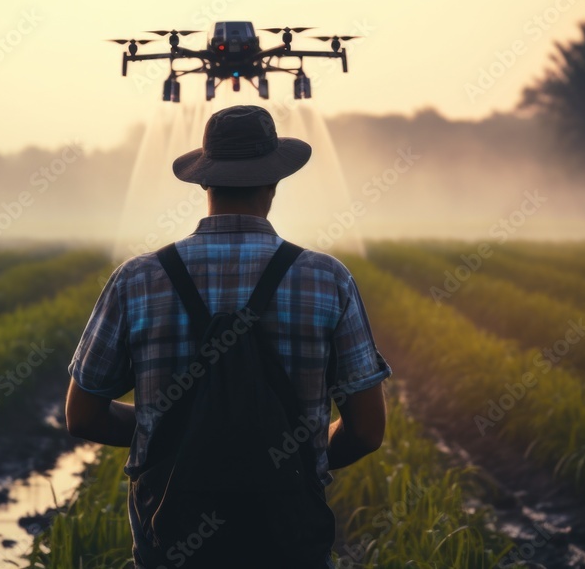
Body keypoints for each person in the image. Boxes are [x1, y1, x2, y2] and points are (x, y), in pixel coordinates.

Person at [65, 104, 391, 567]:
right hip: (286, 535)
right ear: (276, 181)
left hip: (172, 535)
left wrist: (176, 435)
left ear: (203, 181)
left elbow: (82, 416)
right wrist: (284, 453)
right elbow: (367, 430)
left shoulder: (137, 278)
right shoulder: (327, 278)